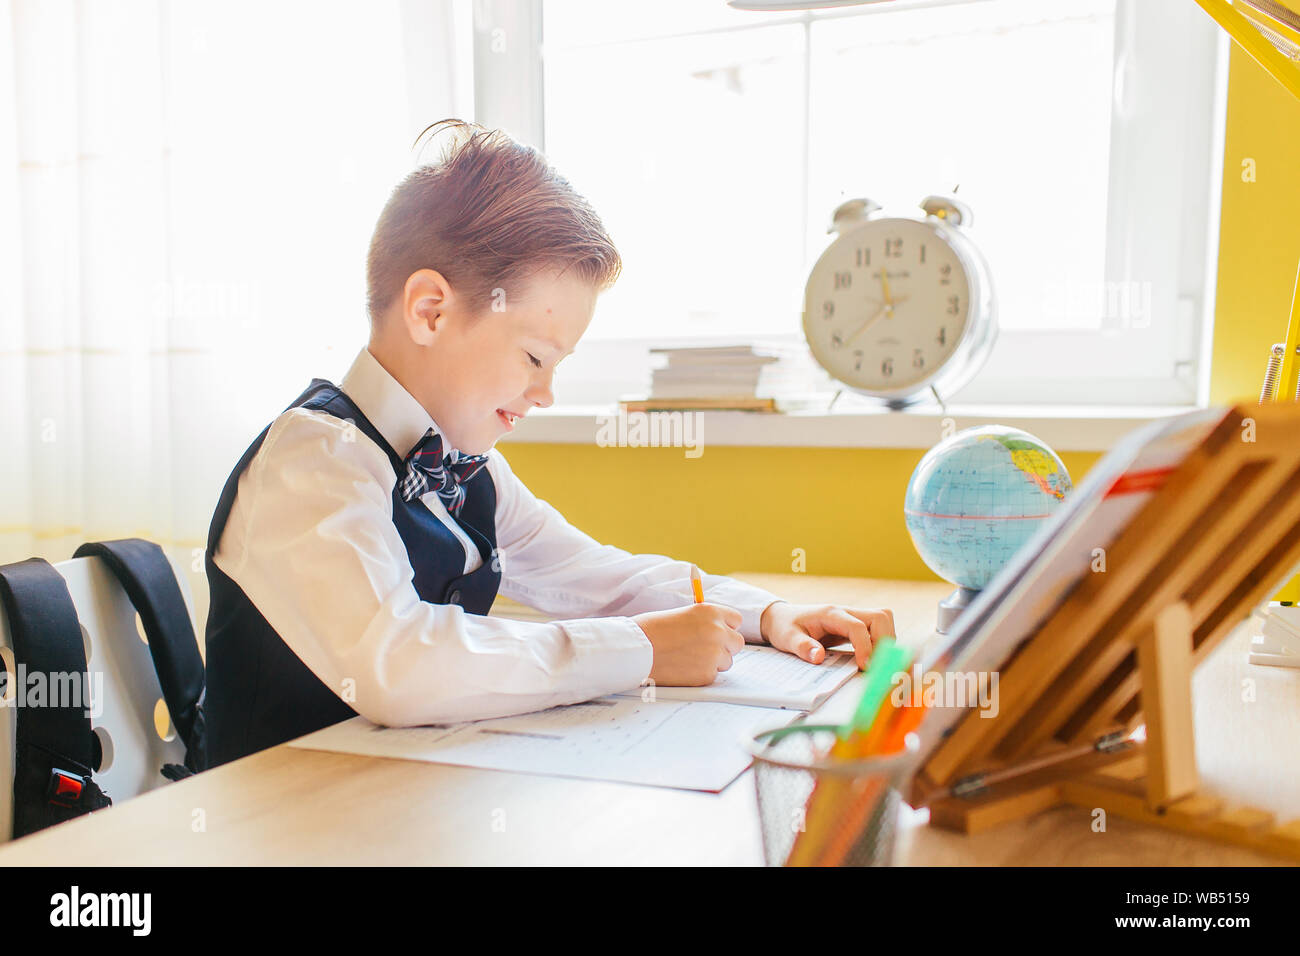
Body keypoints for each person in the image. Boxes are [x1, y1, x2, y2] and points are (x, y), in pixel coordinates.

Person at [201, 119, 895, 768]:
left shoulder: (469, 472)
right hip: (283, 825)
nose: (546, 395)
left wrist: (768, 615)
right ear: (430, 311)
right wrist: (640, 652)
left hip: (400, 801)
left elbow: (602, 579)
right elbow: (400, 662)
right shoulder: (314, 460)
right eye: (535, 358)